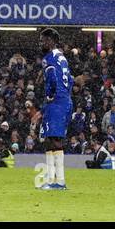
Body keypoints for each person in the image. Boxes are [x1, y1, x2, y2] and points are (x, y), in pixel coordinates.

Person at [38, 28, 73, 190]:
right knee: (51, 140)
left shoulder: (49, 58)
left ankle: (59, 181)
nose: (41, 43)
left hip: (57, 102)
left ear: (51, 41)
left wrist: (50, 95)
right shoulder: (62, 57)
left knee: (54, 141)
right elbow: (70, 80)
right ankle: (52, 180)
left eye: (43, 40)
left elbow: (51, 76)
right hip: (65, 100)